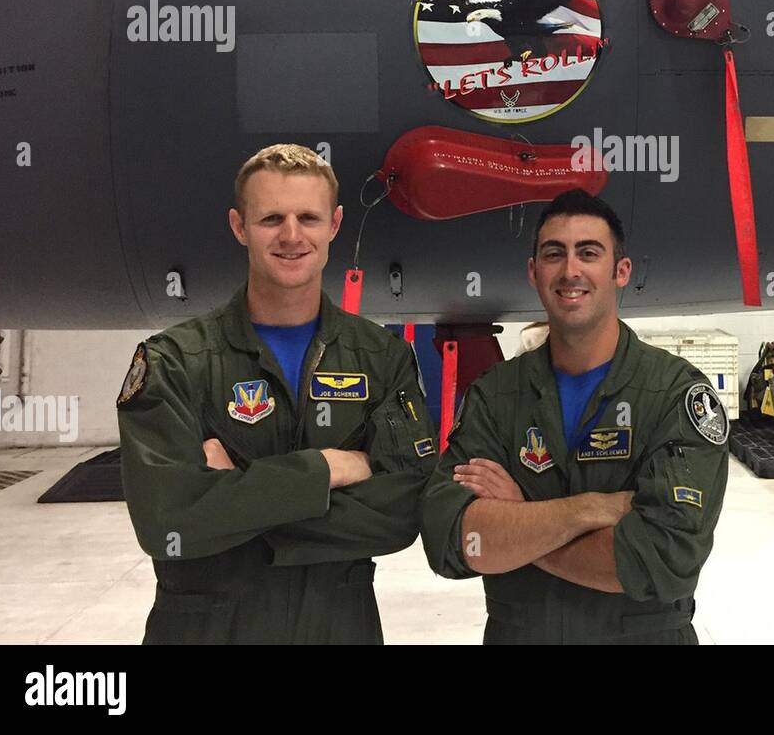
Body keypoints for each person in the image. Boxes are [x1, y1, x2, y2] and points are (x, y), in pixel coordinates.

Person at [117, 144, 437, 644]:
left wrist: (235, 501)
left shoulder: (381, 358)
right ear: (239, 226)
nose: (291, 235)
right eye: (271, 218)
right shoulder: (174, 361)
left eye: (308, 217)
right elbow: (167, 523)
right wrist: (329, 469)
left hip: (338, 629)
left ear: (333, 225)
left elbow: (400, 512)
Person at [421, 189, 729, 644]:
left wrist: (520, 520)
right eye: (553, 254)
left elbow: (664, 559)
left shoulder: (675, 395)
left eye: (588, 253)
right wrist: (591, 510)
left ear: (620, 271)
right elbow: (454, 541)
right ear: (533, 272)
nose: (570, 270)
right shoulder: (495, 396)